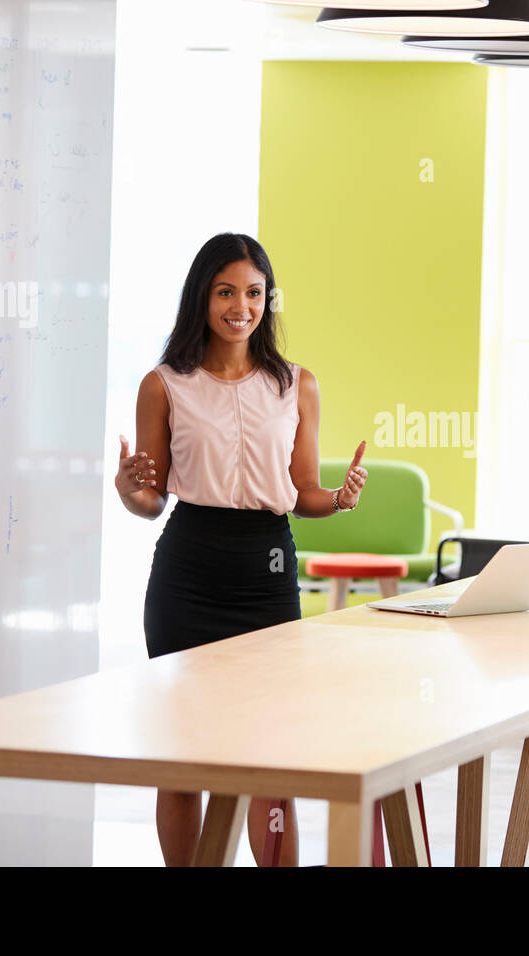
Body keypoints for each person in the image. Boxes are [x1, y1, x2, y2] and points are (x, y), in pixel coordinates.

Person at [114, 233, 367, 867]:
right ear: (202, 296)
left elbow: (301, 491)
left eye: (254, 293)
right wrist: (128, 490)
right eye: (226, 291)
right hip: (186, 576)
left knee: (271, 763)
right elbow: (152, 501)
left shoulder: (296, 385)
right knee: (181, 760)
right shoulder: (163, 384)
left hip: (267, 574)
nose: (240, 307)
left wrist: (337, 499)